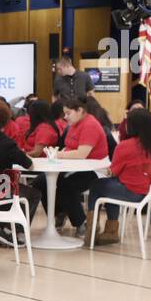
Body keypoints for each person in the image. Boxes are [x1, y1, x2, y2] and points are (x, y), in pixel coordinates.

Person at [87, 107, 151, 245]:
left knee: (97, 185)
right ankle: (110, 231)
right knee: (111, 186)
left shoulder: (126, 146)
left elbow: (114, 171)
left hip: (132, 192)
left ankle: (92, 231)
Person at [0, 99, 40, 245]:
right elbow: (29, 165)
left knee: (8, 187)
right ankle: (12, 232)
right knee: (34, 194)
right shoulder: (7, 144)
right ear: (7, 121)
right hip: (0, 191)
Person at [52, 98, 109, 236]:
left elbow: (82, 153)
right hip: (76, 167)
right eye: (64, 114)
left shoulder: (90, 125)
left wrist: (57, 154)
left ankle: (81, 222)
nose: (65, 117)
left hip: (94, 169)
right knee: (41, 182)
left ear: (80, 110)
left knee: (66, 185)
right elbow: (69, 147)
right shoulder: (73, 125)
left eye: (68, 113)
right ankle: (60, 212)